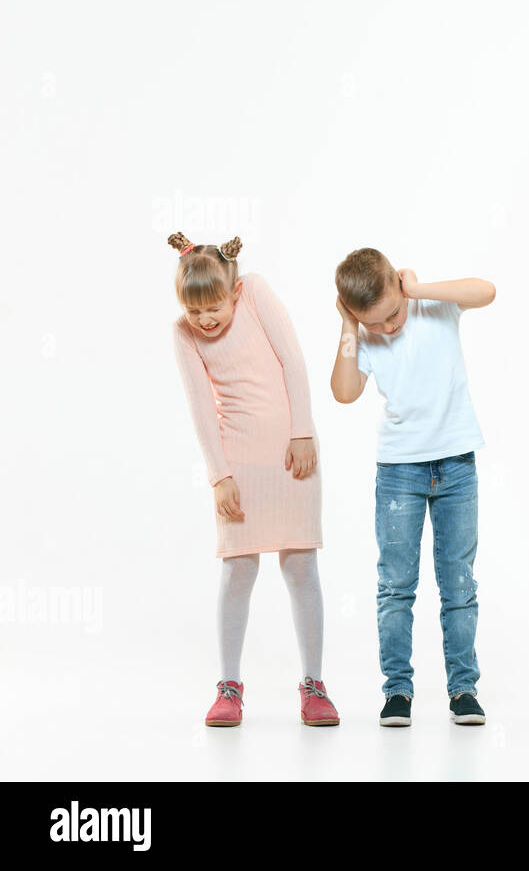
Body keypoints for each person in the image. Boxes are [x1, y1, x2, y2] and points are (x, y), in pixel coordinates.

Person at [169, 233, 339, 727]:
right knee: (238, 570)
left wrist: (303, 431)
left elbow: (293, 361)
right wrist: (219, 475)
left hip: (292, 455)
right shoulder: (183, 334)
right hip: (238, 461)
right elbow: (201, 408)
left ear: (234, 290)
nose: (205, 319)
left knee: (301, 565)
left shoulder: (257, 292)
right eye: (194, 309)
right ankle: (228, 685)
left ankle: (313, 683)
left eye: (214, 306)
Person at [331, 248, 495, 726]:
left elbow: (486, 291)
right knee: (396, 585)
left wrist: (415, 291)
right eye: (373, 322)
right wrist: (349, 325)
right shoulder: (363, 333)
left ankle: (463, 688)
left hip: (456, 464)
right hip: (400, 469)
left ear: (400, 289)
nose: (387, 328)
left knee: (459, 584)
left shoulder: (431, 305)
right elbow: (343, 392)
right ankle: (397, 691)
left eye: (392, 314)